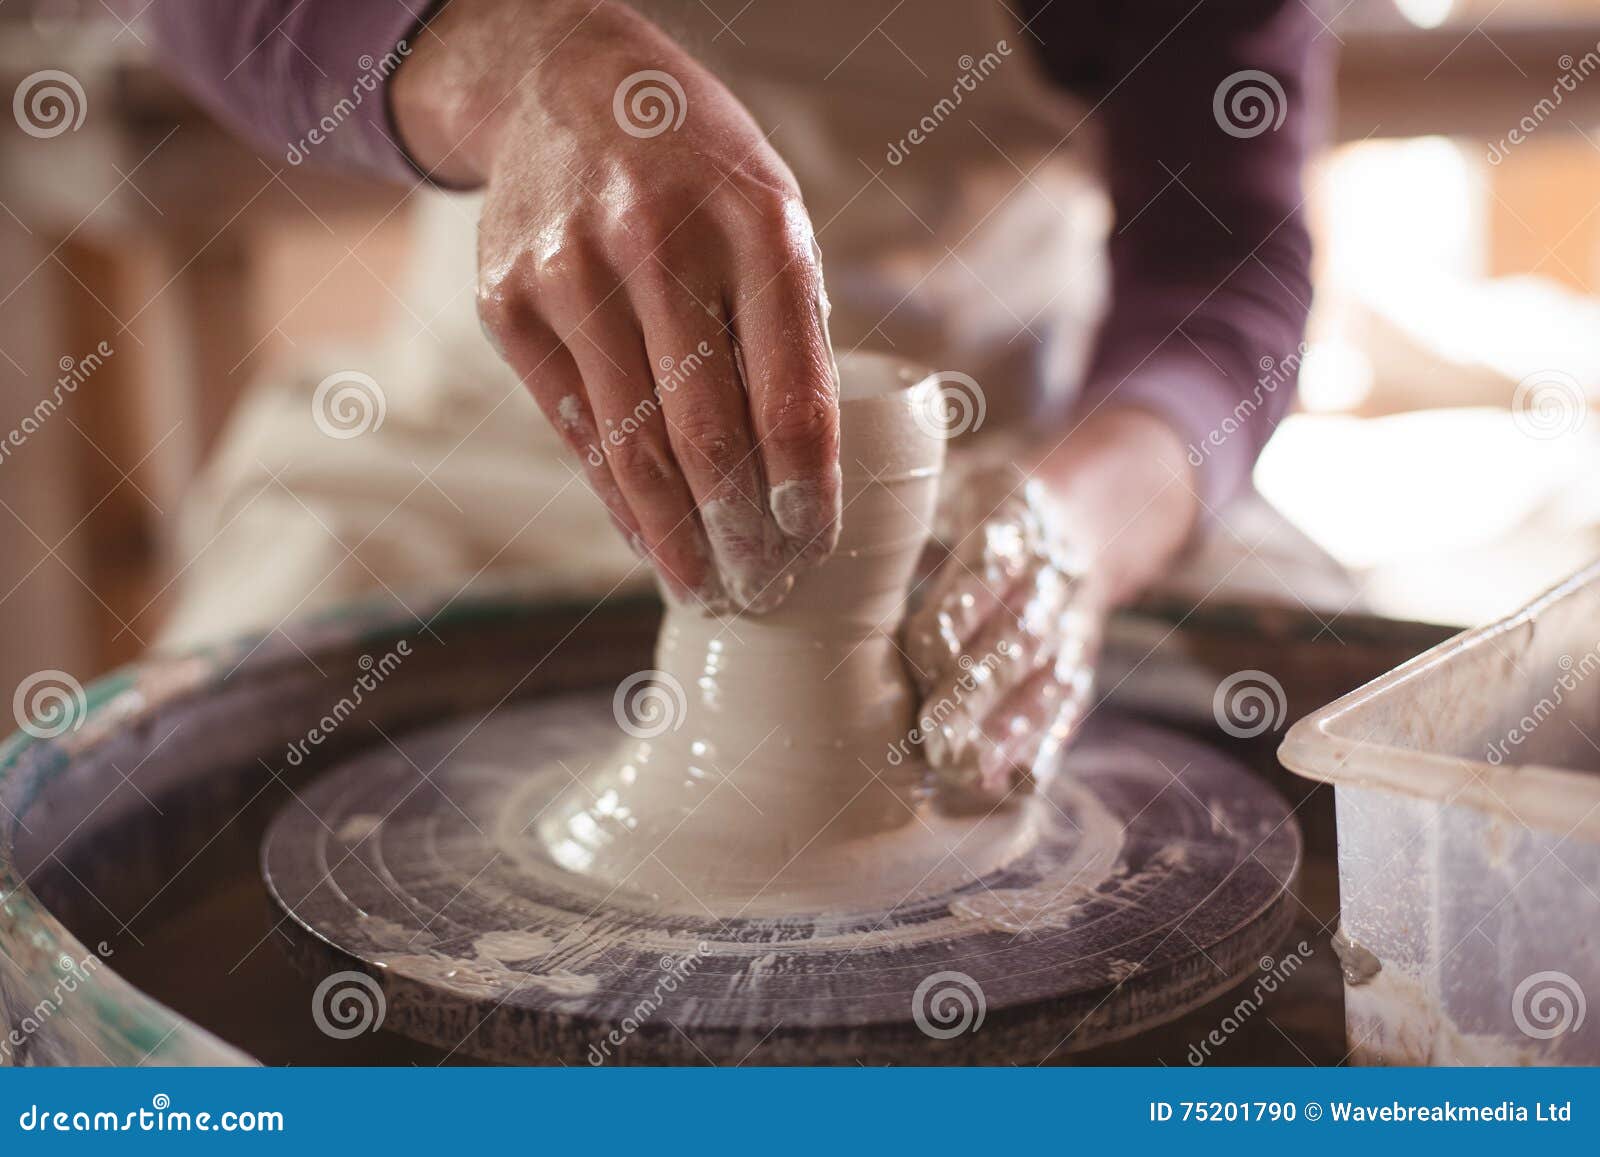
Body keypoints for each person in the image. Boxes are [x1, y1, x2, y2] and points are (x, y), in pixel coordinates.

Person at [132, 0, 1321, 791]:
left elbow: (1225, 264)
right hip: (499, 434)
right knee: (203, 778)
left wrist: (1079, 535)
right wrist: (512, 67)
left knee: (1316, 725)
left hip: (985, 470)